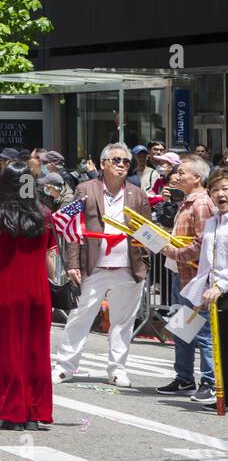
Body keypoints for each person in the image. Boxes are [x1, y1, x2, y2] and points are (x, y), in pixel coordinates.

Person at [54, 143, 153, 387]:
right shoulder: (85, 189)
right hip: (93, 266)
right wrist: (73, 264)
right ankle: (65, 367)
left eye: (126, 162)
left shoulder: (138, 194)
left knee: (123, 322)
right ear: (103, 164)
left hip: (128, 267)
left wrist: (147, 260)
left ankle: (117, 369)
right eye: (116, 160)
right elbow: (74, 229)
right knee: (79, 317)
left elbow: (148, 231)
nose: (121, 165)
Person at [0, 161, 55, 431]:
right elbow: (50, 259)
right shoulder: (44, 214)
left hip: (9, 288)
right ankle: (35, 412)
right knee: (38, 351)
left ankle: (12, 412)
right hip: (39, 290)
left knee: (10, 349)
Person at [153, 155, 217, 402]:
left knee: (201, 332)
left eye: (181, 173)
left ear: (197, 178)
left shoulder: (201, 204)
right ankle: (184, 378)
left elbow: (203, 243)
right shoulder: (187, 202)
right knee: (182, 329)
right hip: (181, 275)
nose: (176, 176)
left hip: (195, 277)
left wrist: (173, 251)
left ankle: (210, 382)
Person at [185, 169, 228, 410]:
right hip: (214, 293)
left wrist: (221, 285)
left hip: (224, 289)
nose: (220, 194)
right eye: (215, 190)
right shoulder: (212, 222)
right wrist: (199, 293)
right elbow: (206, 262)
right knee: (219, 345)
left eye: (225, 189)